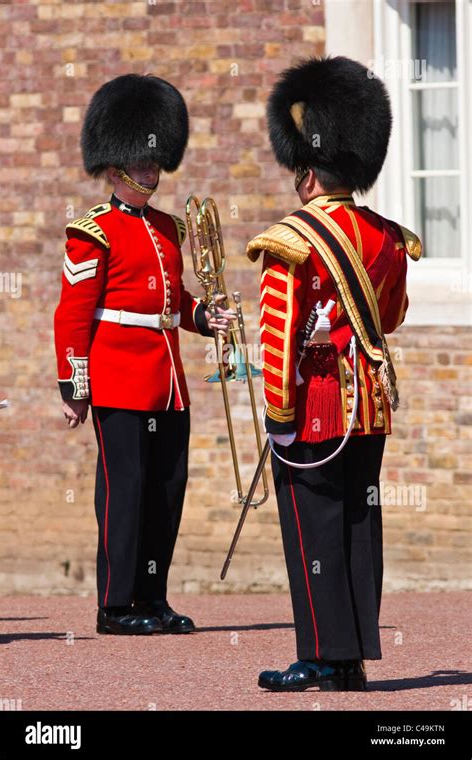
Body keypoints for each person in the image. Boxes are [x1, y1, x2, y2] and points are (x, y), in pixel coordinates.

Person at [246, 57, 422, 691]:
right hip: (370, 406)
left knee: (312, 528)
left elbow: (277, 333)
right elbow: (392, 318)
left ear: (308, 172)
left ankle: (321, 655)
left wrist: (279, 415)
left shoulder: (293, 238)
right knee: (358, 525)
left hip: (317, 402)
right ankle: (351, 658)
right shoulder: (387, 237)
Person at [54, 74, 234, 635]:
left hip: (167, 381)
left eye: (155, 165)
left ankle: (152, 597)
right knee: (124, 494)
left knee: (165, 492)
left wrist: (208, 318)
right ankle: (115, 605)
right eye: (142, 165)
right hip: (117, 380)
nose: (152, 174)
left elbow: (174, 303)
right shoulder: (93, 232)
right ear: (115, 170)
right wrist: (74, 386)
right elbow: (73, 315)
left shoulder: (167, 229)